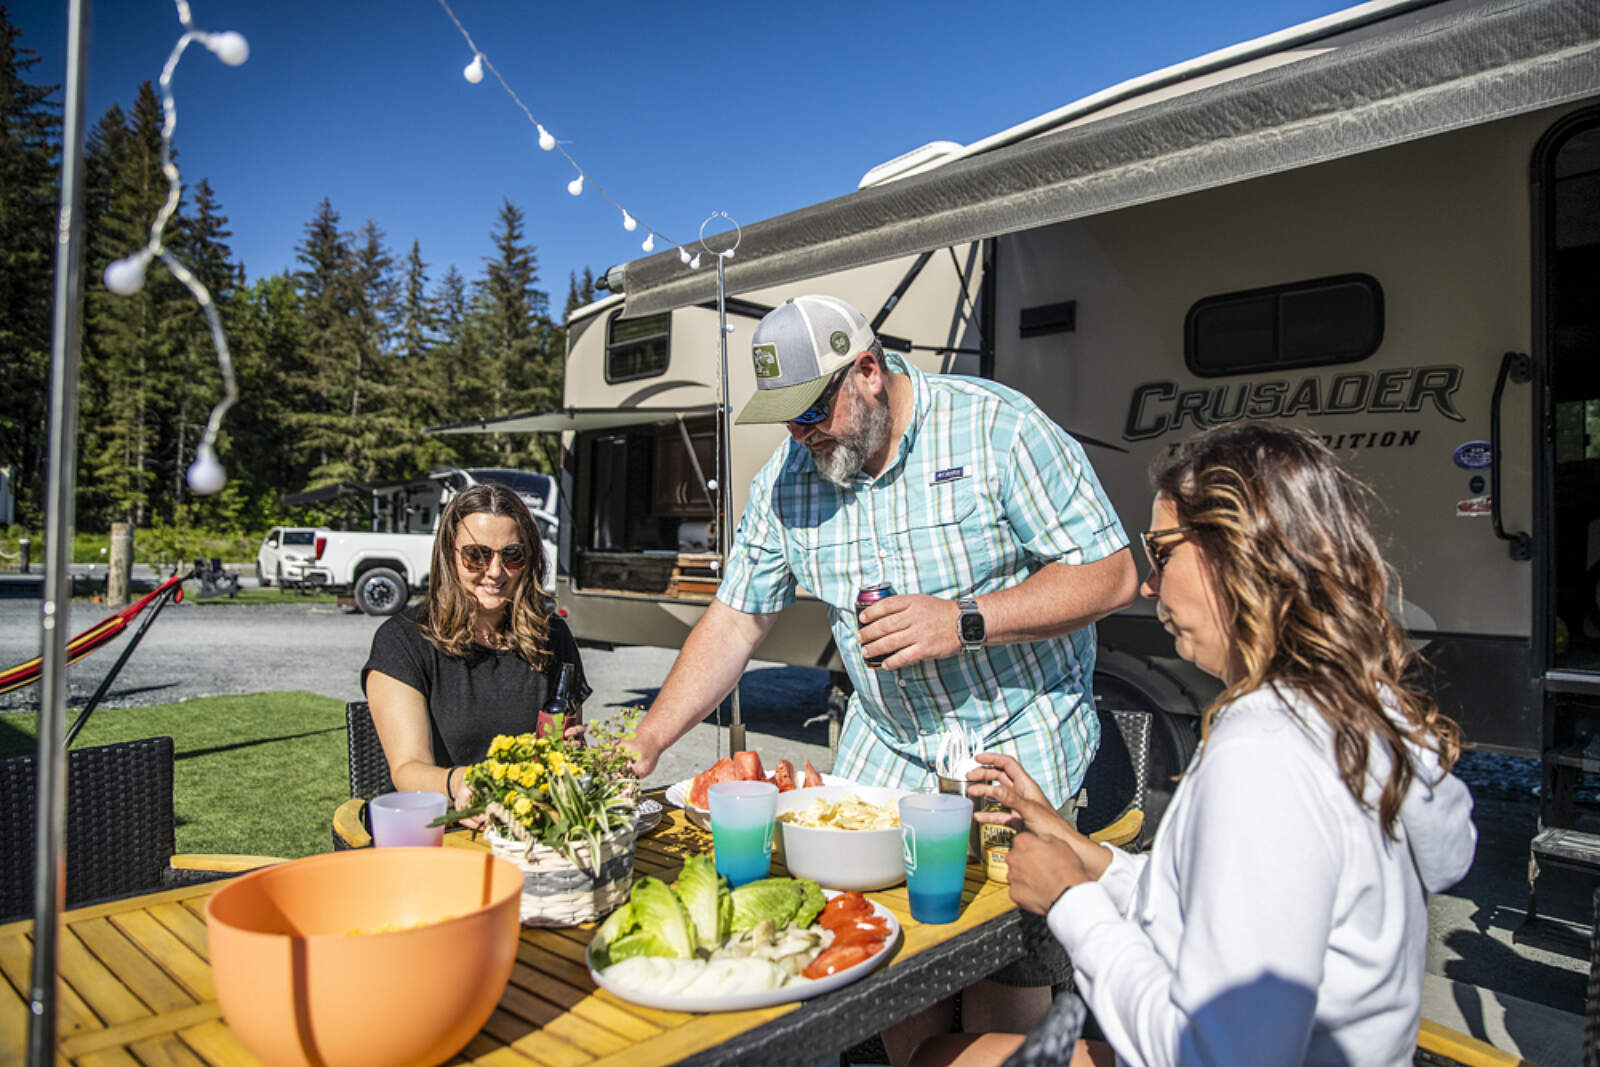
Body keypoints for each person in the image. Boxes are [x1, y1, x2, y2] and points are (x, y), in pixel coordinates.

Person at [626, 294, 1139, 1059]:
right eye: (787, 419)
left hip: (1018, 753)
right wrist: (650, 738)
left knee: (1003, 997)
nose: (801, 435)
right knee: (895, 982)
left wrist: (964, 619)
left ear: (866, 370)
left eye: (812, 411)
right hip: (887, 766)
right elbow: (735, 621)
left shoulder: (997, 428)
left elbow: (1113, 573)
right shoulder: (788, 481)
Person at [917, 421, 1477, 1067]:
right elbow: (1227, 903)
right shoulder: (1358, 711)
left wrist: (1071, 902)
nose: (1149, 585)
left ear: (1238, 551)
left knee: (938, 1058)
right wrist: (1080, 852)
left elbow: (1215, 1050)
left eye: (1161, 552)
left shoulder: (1265, 753)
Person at [363, 482, 590, 815]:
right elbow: (408, 769)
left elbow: (569, 749)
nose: (495, 571)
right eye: (476, 555)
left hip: (532, 821)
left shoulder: (552, 635)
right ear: (449, 555)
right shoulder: (403, 639)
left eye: (512, 555)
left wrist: (574, 752)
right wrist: (466, 784)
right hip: (440, 822)